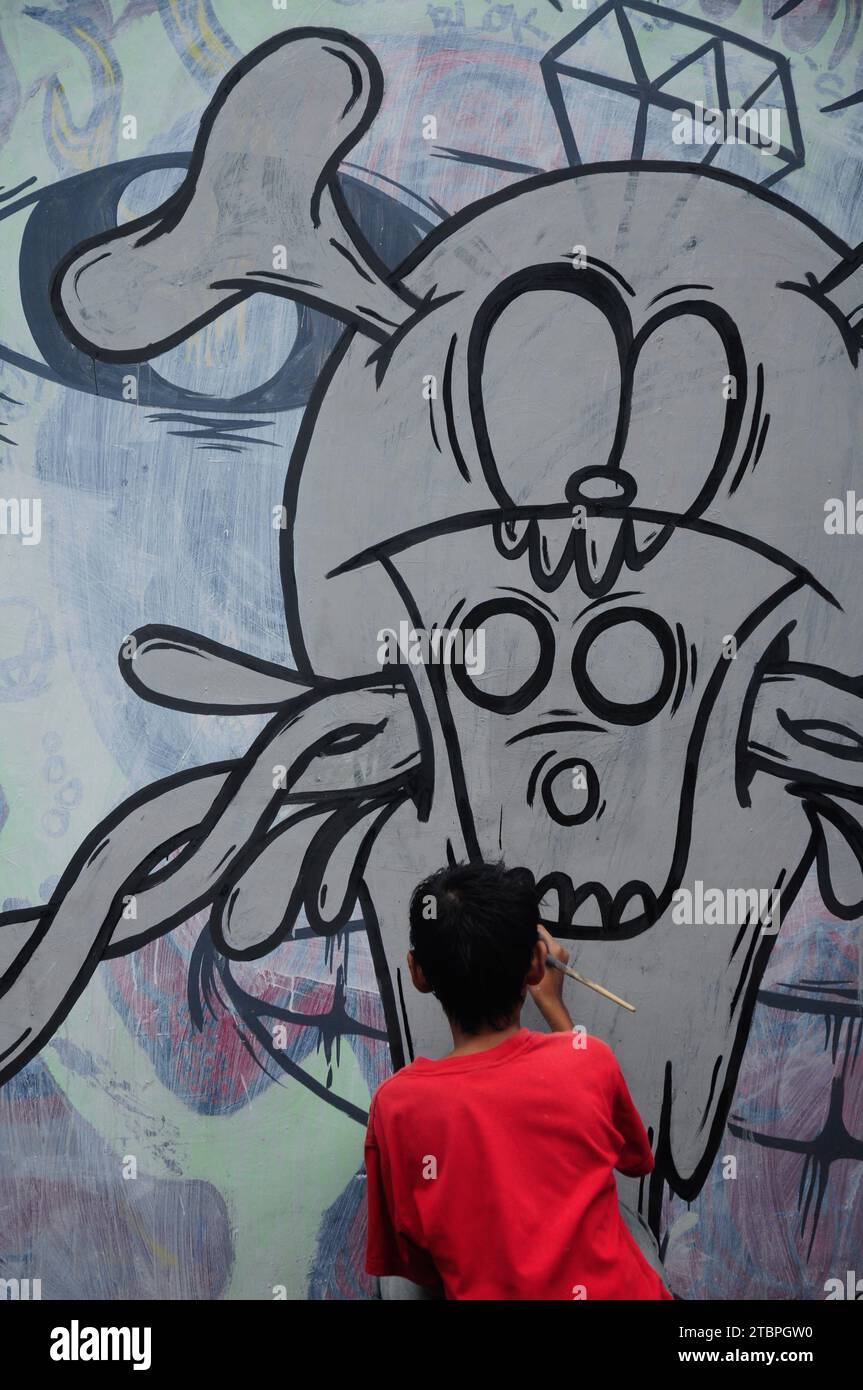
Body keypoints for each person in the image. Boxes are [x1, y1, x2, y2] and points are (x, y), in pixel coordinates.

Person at [364, 861, 673, 1301]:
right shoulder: (588, 1060)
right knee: (630, 1224)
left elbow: (412, 1261)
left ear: (418, 973)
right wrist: (557, 1013)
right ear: (535, 964)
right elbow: (635, 1161)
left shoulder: (397, 1105)